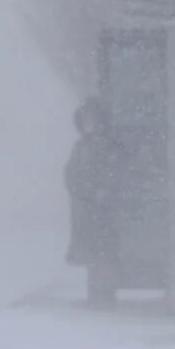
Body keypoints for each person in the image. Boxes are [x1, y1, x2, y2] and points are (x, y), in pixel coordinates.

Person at [64, 97, 120, 306]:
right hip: (85, 207)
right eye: (85, 120)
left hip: (102, 208)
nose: (89, 124)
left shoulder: (108, 146)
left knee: (104, 252)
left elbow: (113, 173)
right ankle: (95, 293)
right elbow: (70, 173)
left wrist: (101, 192)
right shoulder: (81, 146)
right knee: (91, 252)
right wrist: (80, 190)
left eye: (92, 119)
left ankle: (105, 295)